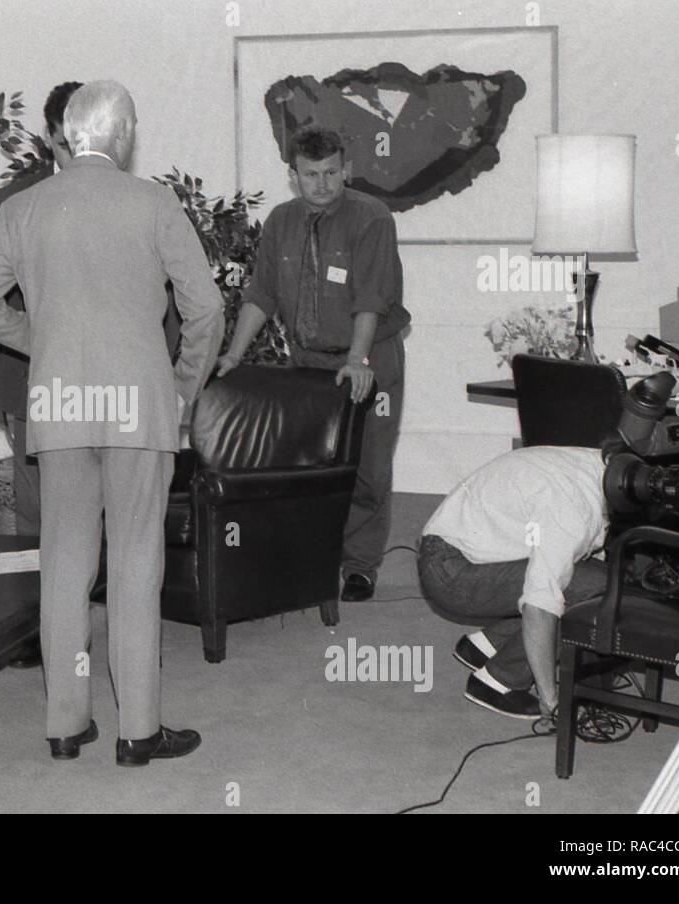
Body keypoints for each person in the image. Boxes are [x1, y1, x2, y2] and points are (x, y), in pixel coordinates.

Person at [0, 80, 224, 765]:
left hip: (60, 404)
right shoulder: (155, 202)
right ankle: (139, 730)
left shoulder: (26, 209)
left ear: (68, 136)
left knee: (66, 563)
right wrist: (182, 388)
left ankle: (66, 722)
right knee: (136, 562)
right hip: (138, 404)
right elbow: (207, 311)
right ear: (125, 135)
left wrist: (40, 337)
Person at [216, 127, 410, 604]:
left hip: (368, 359)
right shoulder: (281, 222)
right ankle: (312, 559)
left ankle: (361, 566)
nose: (321, 184)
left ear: (346, 169)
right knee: (308, 468)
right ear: (293, 175)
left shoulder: (372, 218)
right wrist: (233, 355)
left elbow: (371, 299)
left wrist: (357, 360)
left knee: (366, 469)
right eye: (310, 174)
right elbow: (260, 295)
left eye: (330, 173)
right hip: (306, 362)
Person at [417, 445, 610, 719]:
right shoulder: (571, 509)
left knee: (580, 574)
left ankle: (486, 646)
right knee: (597, 587)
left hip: (457, 549)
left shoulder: (593, 463)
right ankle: (500, 681)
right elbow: (539, 607)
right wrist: (551, 698)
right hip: (451, 574)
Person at [0, 81, 82, 539]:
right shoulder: (13, 203)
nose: (75, 157)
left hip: (104, 378)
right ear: (48, 137)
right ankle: (38, 606)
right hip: (31, 374)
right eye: (65, 145)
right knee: (34, 506)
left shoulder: (134, 200)